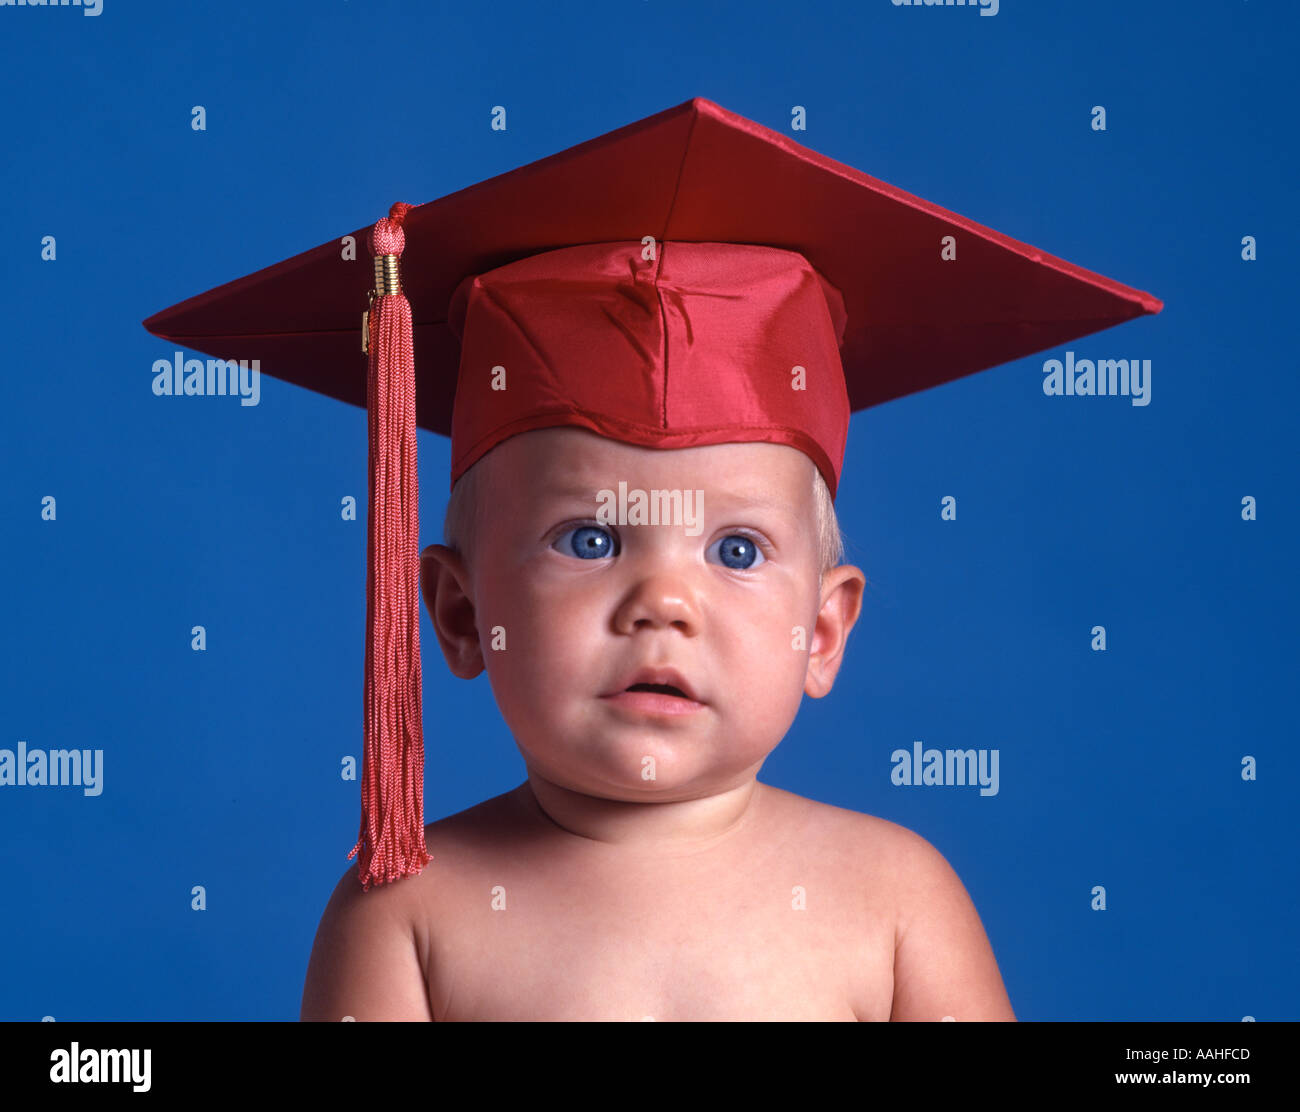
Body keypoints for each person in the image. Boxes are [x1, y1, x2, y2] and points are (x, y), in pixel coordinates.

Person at [144, 97, 1160, 1020]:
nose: (662, 600)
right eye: (589, 538)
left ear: (822, 629)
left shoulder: (893, 897)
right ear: (459, 612)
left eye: (735, 547)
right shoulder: (411, 910)